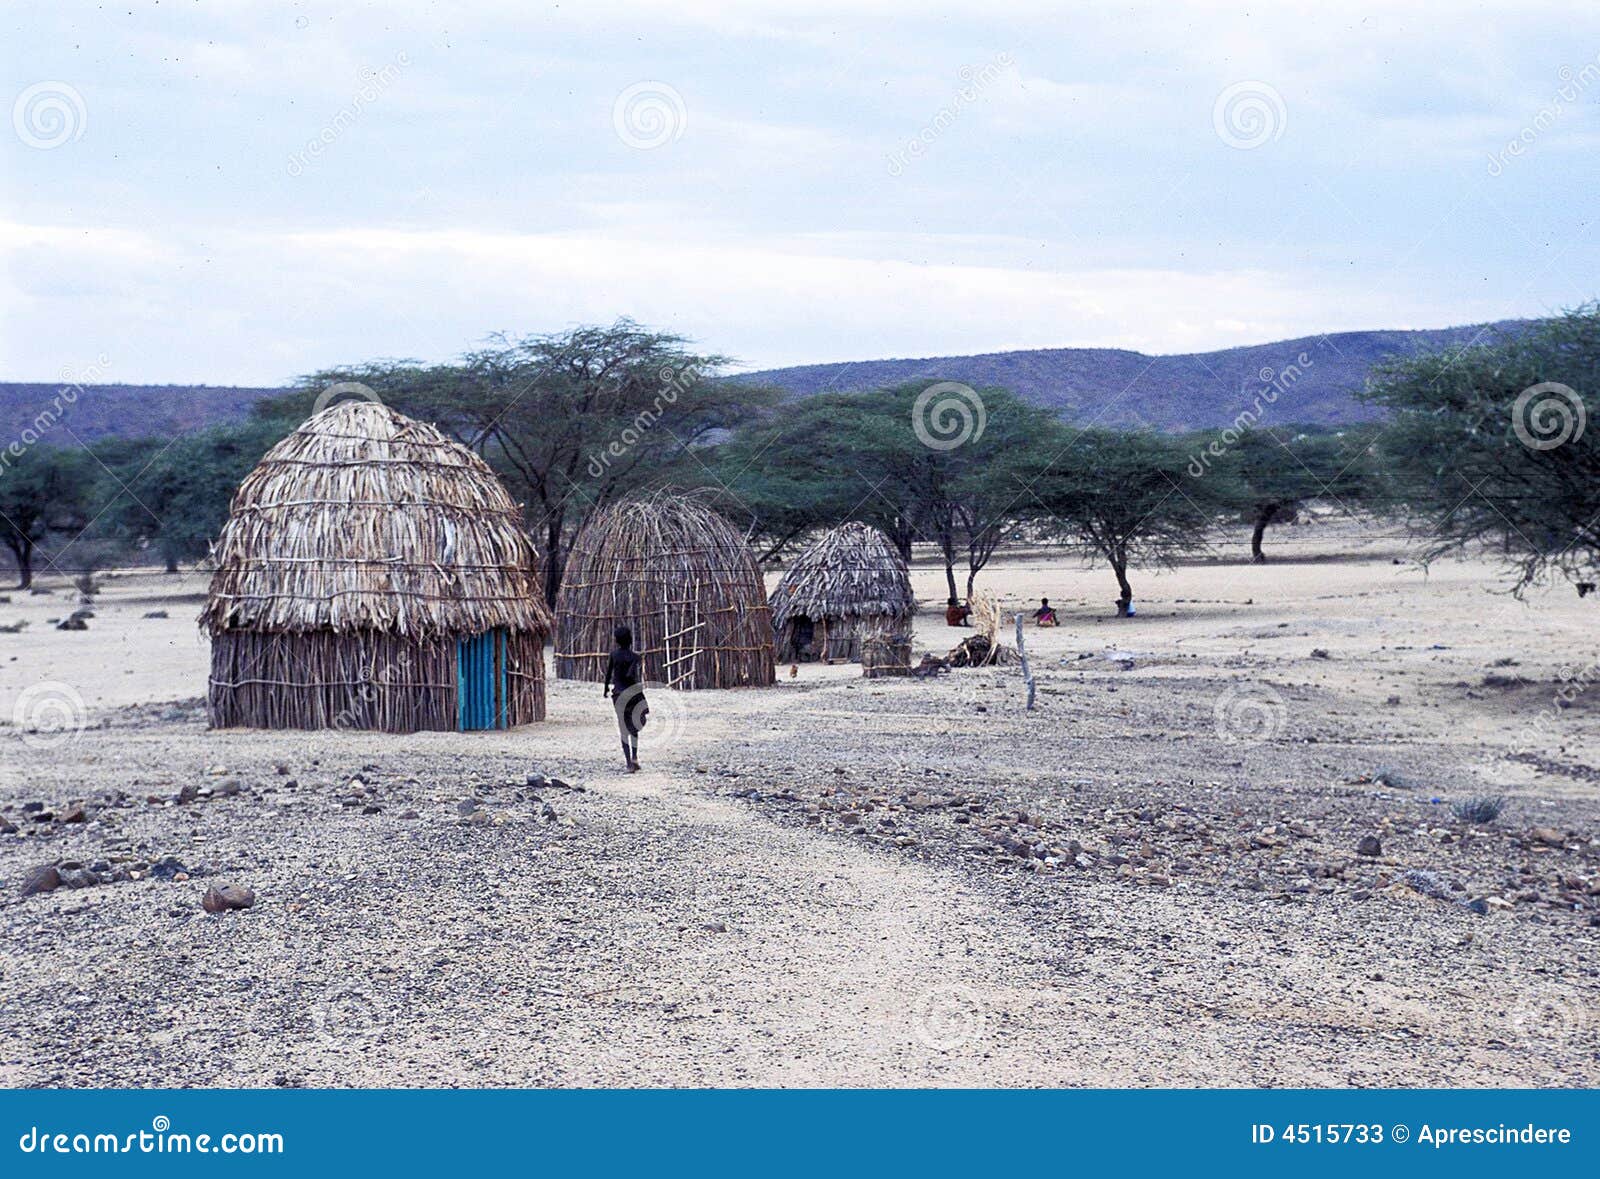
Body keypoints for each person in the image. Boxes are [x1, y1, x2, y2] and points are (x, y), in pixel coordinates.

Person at [602, 625, 647, 772]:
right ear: (630, 640)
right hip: (633, 694)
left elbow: (608, 675)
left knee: (623, 727)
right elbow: (632, 677)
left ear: (617, 641)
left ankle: (628, 763)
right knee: (634, 726)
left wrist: (605, 690)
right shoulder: (635, 657)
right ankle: (635, 757)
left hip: (618, 694)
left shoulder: (614, 655)